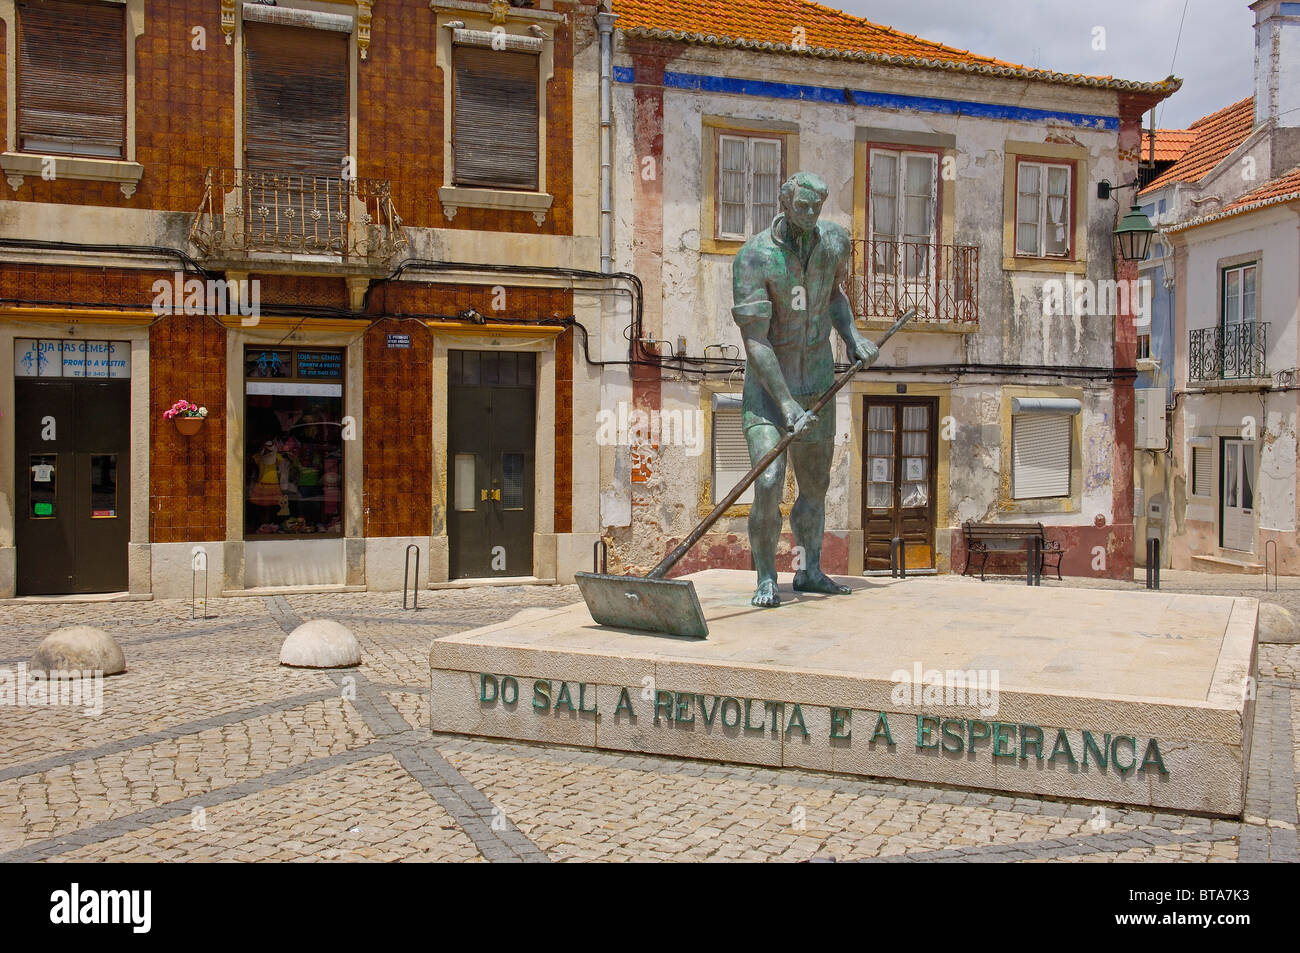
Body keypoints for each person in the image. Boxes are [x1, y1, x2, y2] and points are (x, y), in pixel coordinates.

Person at [731, 171, 880, 607]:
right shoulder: (753, 257)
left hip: (817, 383)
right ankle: (765, 578)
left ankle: (810, 570)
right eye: (802, 207)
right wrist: (786, 404)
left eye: (817, 207)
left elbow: (834, 295)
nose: (810, 215)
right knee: (769, 480)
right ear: (783, 201)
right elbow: (755, 341)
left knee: (815, 487)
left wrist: (853, 339)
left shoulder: (834, 241)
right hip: (769, 393)